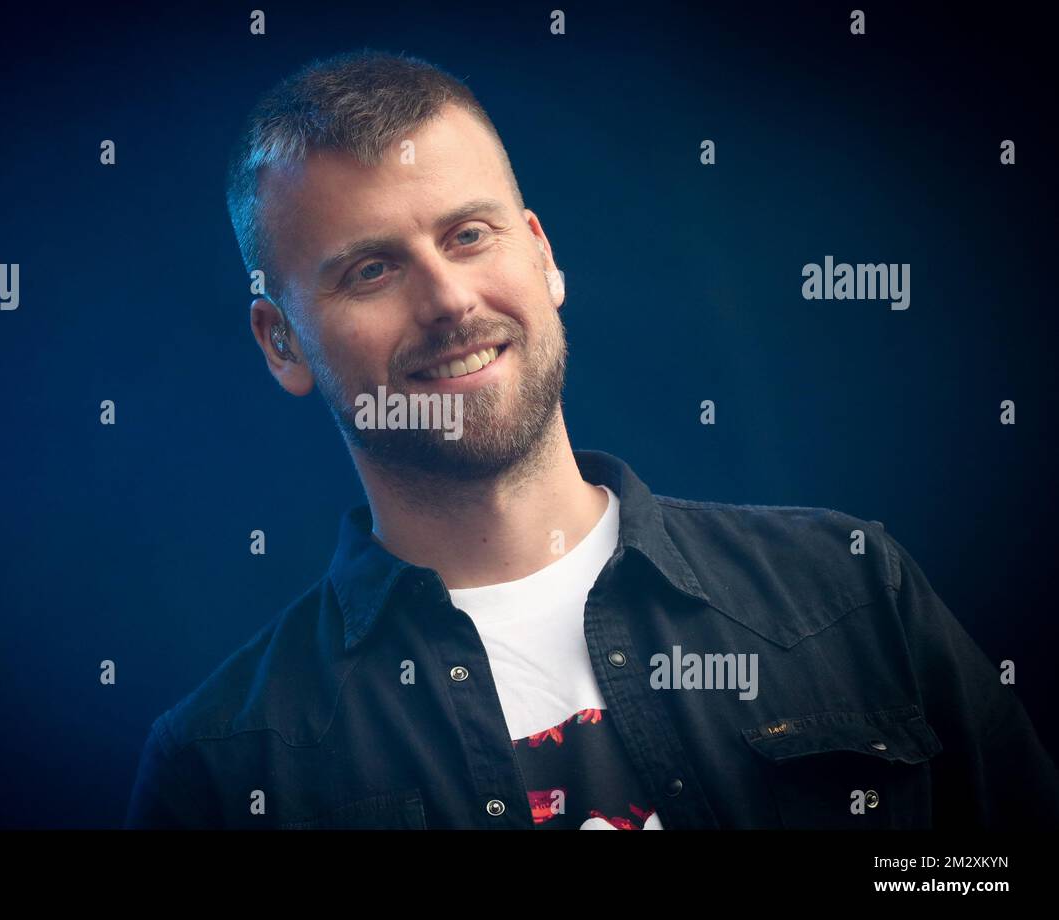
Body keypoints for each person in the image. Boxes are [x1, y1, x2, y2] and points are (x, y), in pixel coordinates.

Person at [124, 49, 1059, 829]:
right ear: (281, 341)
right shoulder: (222, 769)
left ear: (541, 254)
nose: (450, 299)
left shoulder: (852, 590)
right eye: (371, 270)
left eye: (469, 236)